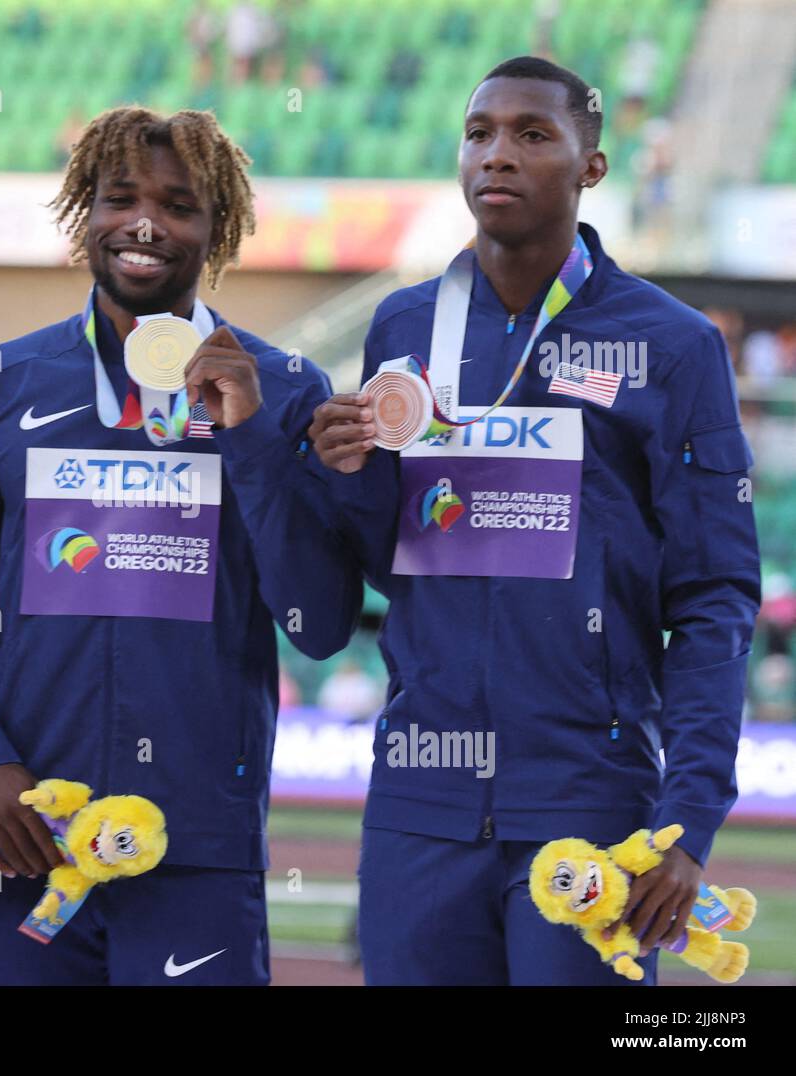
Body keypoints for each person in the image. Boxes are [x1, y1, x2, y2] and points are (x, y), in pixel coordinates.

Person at [214, 57, 761, 985]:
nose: (497, 155)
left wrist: (687, 820)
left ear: (591, 165)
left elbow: (714, 597)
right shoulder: (404, 327)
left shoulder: (672, 345)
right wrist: (346, 473)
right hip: (420, 799)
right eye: (479, 135)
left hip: (589, 798)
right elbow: (396, 561)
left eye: (532, 135)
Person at [0, 106, 341, 986]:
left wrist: (251, 439)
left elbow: (321, 621)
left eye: (179, 205)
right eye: (119, 198)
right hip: (26, 834)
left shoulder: (286, 389)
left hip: (197, 848)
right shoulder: (0, 383)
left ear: (218, 227)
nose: (144, 223)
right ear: (85, 212)